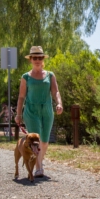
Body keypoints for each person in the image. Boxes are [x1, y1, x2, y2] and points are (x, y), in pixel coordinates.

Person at [15, 46, 63, 178]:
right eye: (34, 58)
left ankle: (39, 161)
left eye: (40, 57)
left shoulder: (50, 75)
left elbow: (55, 91)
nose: (37, 60)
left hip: (47, 110)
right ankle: (38, 168)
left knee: (45, 141)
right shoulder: (26, 77)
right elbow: (21, 97)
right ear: (30, 59)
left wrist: (59, 103)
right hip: (31, 111)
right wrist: (18, 114)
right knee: (36, 140)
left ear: (43, 59)